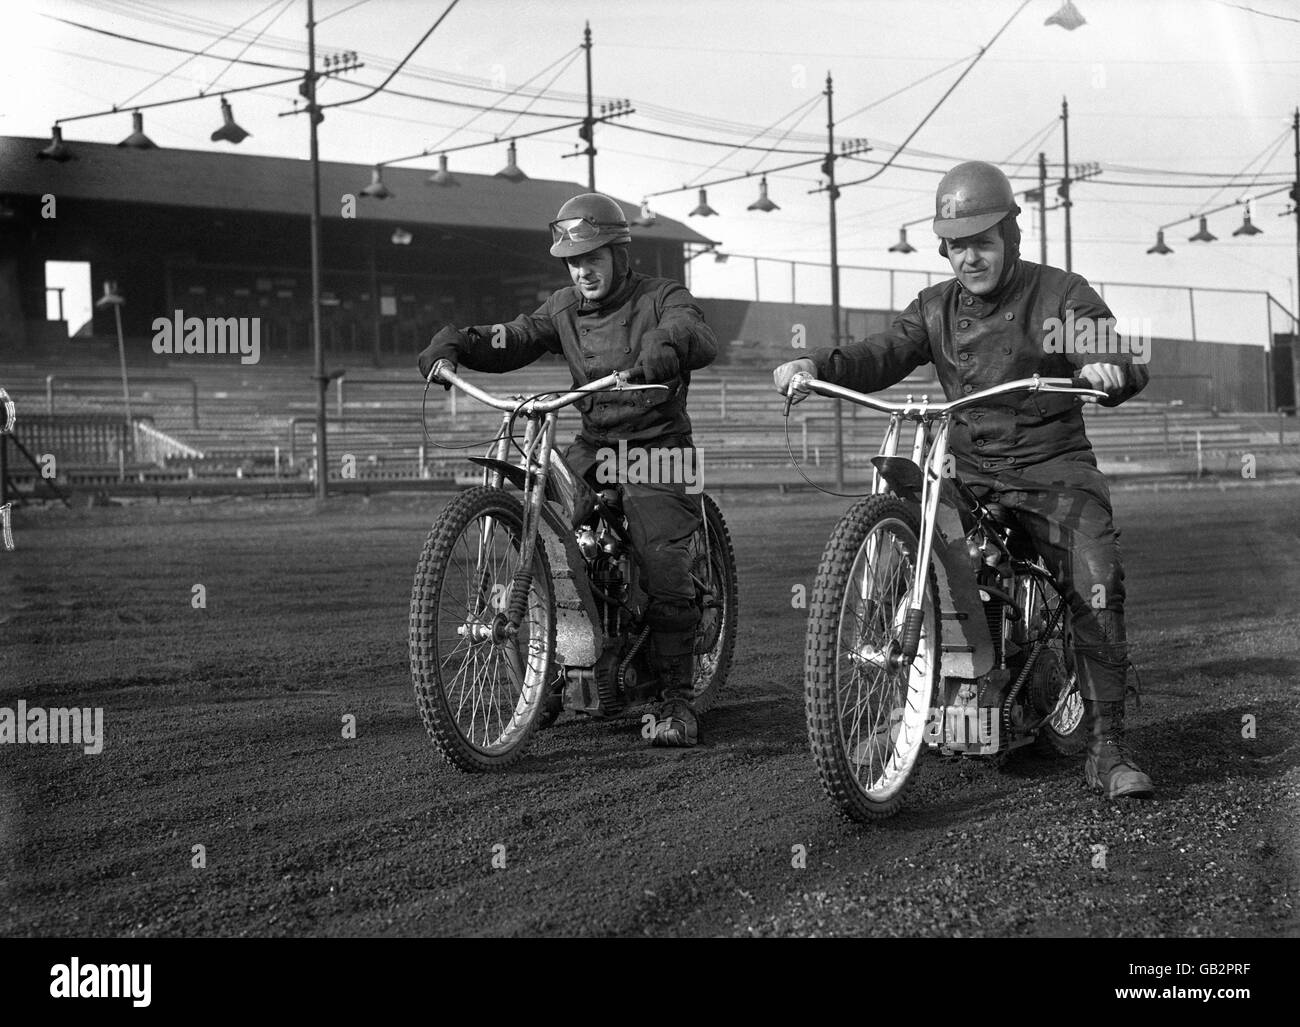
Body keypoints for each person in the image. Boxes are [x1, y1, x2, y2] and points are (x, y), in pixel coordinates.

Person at [773, 160, 1154, 799]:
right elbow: (880, 353)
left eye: (981, 241)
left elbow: (1110, 345)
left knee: (1096, 578)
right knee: (904, 548)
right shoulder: (935, 309)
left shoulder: (1058, 294)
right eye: (956, 245)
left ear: (1012, 235)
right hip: (969, 472)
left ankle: (1107, 746)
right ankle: (898, 711)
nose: (968, 257)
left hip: (1050, 470)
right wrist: (816, 365)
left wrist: (1107, 368)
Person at [418, 191, 718, 747]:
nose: (583, 270)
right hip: (594, 441)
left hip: (661, 447)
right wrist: (457, 341)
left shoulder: (662, 297)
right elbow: (515, 337)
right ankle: (557, 666)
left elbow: (696, 330)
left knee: (661, 557)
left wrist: (665, 346)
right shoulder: (562, 309)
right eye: (573, 261)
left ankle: (677, 697)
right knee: (550, 526)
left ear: (619, 254)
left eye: (593, 258)